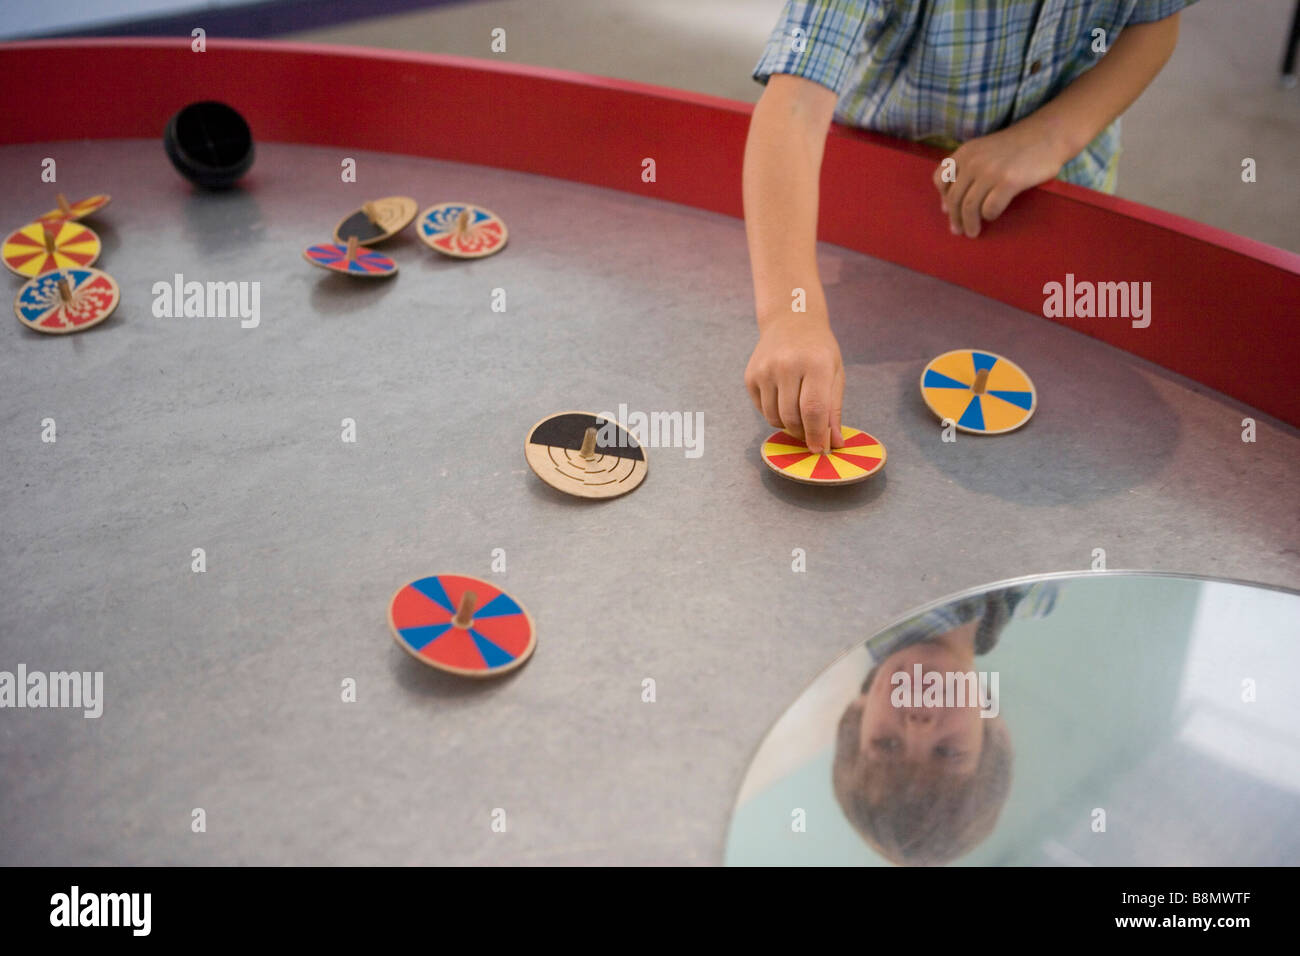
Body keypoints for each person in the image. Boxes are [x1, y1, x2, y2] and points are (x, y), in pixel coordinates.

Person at [743, 1, 1193, 453]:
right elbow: (795, 109)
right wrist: (790, 313)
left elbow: (1155, 24)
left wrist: (1052, 135)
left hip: (1060, 195)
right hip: (881, 201)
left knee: (1061, 371)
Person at [832, 582, 1056, 864]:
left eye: (888, 744)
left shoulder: (847, 594)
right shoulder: (1039, 596)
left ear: (858, 713)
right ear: (992, 728)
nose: (918, 726)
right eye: (946, 752)